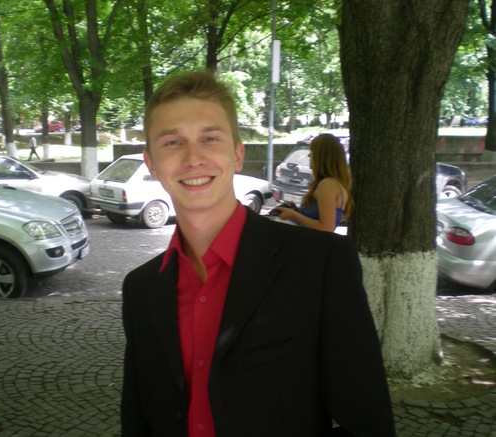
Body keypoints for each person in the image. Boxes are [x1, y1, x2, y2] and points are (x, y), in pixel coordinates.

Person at [120, 70, 395, 436]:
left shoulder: (321, 264)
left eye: (210, 138)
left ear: (237, 154)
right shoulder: (140, 289)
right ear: (151, 164)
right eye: (173, 142)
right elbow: (137, 422)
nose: (193, 158)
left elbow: (369, 424)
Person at [272, 133, 353, 232]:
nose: (309, 155)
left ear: (322, 157)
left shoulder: (328, 184)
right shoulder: (331, 183)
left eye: (312, 152)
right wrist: (297, 212)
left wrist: (294, 215)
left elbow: (326, 228)